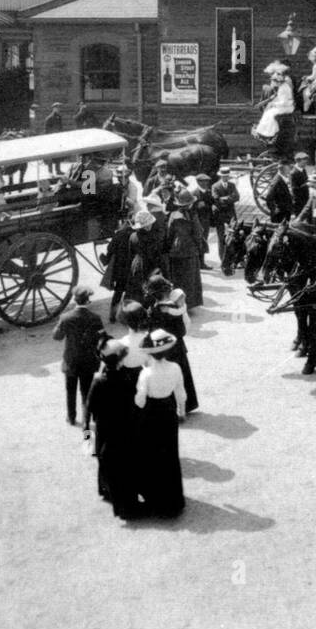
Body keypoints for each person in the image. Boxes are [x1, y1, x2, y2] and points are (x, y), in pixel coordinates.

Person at [86, 339, 143, 519]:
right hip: (124, 427)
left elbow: (88, 408)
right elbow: (134, 405)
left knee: (104, 460)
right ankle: (128, 504)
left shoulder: (98, 382)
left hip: (103, 428)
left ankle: (106, 490)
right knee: (126, 464)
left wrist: (87, 436)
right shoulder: (126, 380)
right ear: (120, 361)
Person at [133, 330, 186, 519]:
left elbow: (140, 400)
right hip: (169, 411)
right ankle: (174, 499)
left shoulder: (146, 373)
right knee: (170, 453)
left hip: (152, 413)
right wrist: (182, 411)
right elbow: (180, 392)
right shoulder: (175, 367)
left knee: (153, 453)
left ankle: (157, 499)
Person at [144, 275, 199, 415]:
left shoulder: (152, 310)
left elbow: (150, 332)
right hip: (177, 348)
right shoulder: (174, 308)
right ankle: (187, 406)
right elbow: (181, 330)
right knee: (181, 377)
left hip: (161, 349)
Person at [52, 286, 105, 427]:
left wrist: (59, 324)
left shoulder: (66, 317)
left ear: (75, 300)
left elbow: (57, 337)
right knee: (86, 393)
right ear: (88, 301)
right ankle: (87, 422)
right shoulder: (95, 318)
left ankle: (71, 418)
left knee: (70, 391)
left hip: (71, 361)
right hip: (88, 362)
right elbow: (102, 338)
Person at [165, 190, 204, 309]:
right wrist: (199, 247)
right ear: (190, 204)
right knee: (190, 279)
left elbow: (169, 234)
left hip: (176, 250)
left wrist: (169, 247)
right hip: (190, 251)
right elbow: (198, 234)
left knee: (177, 278)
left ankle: (177, 302)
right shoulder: (193, 216)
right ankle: (190, 303)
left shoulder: (173, 215)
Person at [256, 60, 296, 158]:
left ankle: (270, 134)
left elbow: (284, 101)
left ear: (279, 81)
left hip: (286, 107)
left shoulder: (284, 87)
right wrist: (271, 102)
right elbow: (279, 98)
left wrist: (273, 104)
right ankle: (267, 134)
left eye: (275, 81)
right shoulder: (283, 86)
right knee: (269, 112)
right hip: (285, 106)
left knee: (270, 114)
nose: (274, 84)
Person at [101, 214, 136, 323]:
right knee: (130, 293)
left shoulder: (119, 234)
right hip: (131, 269)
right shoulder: (136, 234)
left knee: (118, 293)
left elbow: (110, 248)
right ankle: (126, 315)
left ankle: (112, 316)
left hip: (120, 270)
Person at [209, 166, 239, 262]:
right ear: (220, 176)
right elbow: (216, 199)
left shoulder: (232, 185)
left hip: (231, 215)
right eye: (223, 176)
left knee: (234, 235)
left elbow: (237, 197)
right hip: (220, 215)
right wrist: (229, 198)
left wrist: (224, 199)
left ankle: (232, 257)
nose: (225, 178)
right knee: (221, 237)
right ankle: (222, 258)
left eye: (227, 176)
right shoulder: (215, 186)